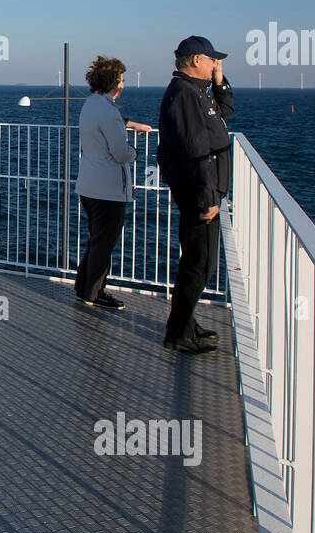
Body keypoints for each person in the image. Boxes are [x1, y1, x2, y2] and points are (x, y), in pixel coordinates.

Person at [157, 36, 235, 354]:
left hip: (203, 191)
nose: (217, 63)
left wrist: (219, 80)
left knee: (198, 260)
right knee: (198, 263)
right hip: (198, 194)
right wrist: (208, 198)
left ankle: (186, 323)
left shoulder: (195, 92)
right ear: (196, 60)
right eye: (212, 60)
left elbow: (226, 110)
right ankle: (178, 332)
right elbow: (195, 150)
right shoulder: (185, 95)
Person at [74, 56, 151, 309]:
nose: (124, 84)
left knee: (96, 239)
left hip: (89, 185)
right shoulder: (108, 111)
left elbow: (108, 121)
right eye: (121, 79)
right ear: (113, 83)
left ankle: (83, 286)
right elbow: (120, 152)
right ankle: (93, 293)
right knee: (104, 243)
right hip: (107, 189)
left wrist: (129, 123)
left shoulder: (91, 105)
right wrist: (136, 153)